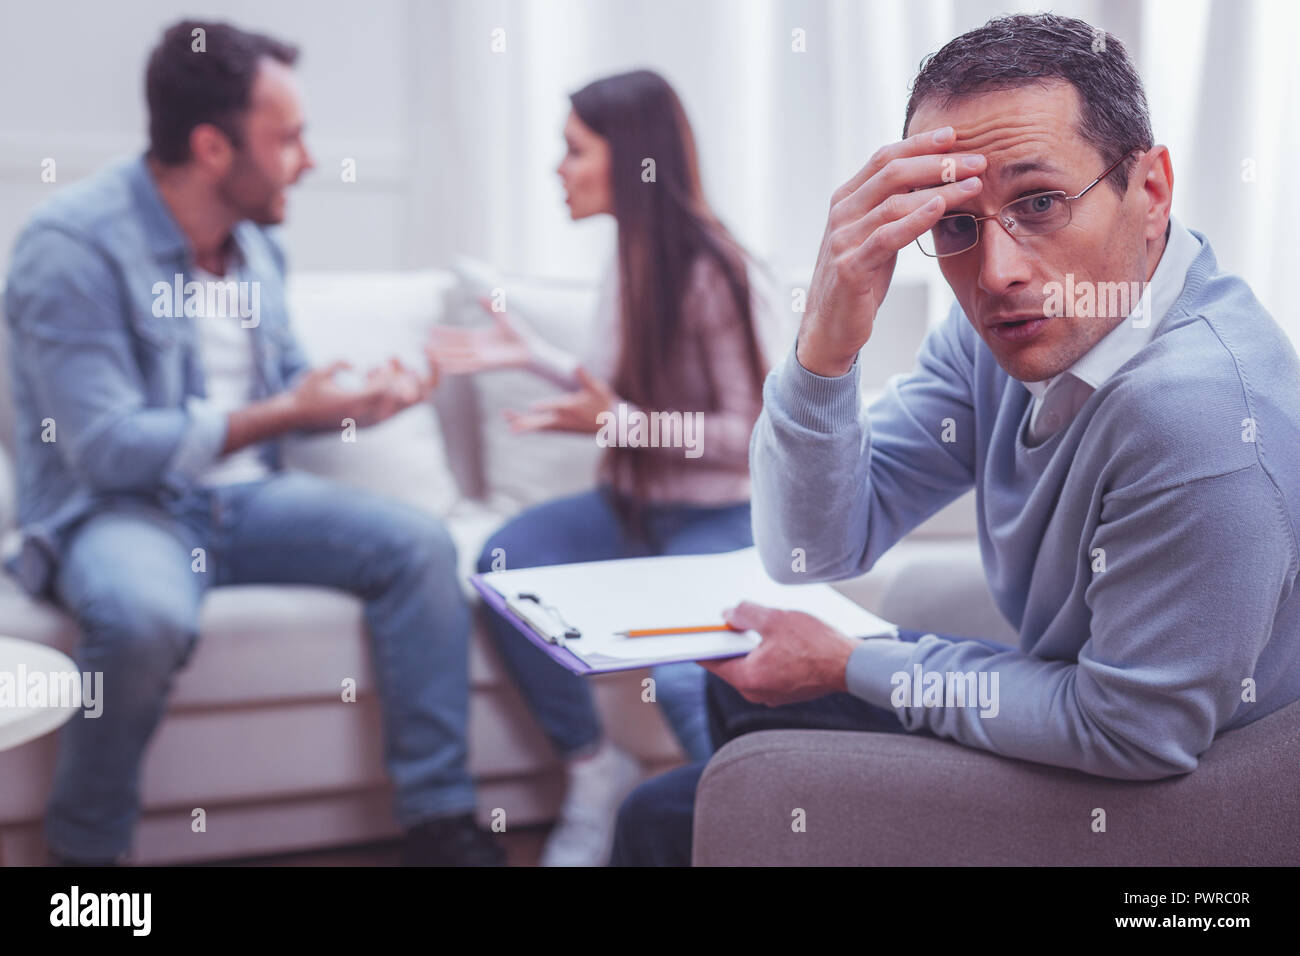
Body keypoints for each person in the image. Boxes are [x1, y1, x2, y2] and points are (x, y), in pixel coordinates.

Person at [610, 12, 1300, 865]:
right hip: (1092, 705)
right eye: (957, 224)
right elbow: (811, 549)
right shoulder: (1005, 331)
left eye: (1040, 202)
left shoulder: (1197, 416)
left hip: (1174, 796)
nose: (999, 274)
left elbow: (1133, 734)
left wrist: (847, 666)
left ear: (1150, 189)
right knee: (741, 711)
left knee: (659, 817)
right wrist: (825, 345)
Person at [3, 20, 502, 866]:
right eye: (289, 137)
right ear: (210, 146)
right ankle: (83, 866)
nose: (308, 160)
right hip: (124, 511)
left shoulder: (256, 242)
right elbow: (108, 449)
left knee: (419, 548)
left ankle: (440, 821)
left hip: (248, 500)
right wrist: (286, 413)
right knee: (141, 617)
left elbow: (283, 394)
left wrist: (363, 400)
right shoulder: (71, 249)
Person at [430, 70, 777, 866]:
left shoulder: (718, 272)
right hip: (625, 507)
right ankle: (594, 770)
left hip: (714, 516)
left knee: (695, 678)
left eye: (574, 151)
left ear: (632, 156)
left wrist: (623, 423)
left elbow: (752, 431)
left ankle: (737, 829)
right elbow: (608, 389)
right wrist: (533, 359)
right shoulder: (631, 255)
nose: (559, 168)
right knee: (503, 565)